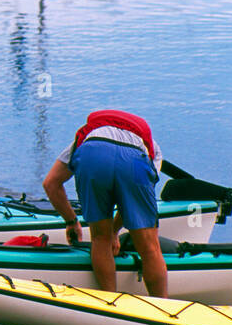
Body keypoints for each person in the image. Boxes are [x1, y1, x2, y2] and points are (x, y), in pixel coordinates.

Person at [42, 109, 168, 298]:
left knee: (100, 239)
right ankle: (163, 312)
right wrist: (115, 230)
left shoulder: (84, 137)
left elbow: (51, 183)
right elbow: (134, 204)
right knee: (149, 247)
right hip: (134, 160)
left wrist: (71, 221)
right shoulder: (154, 150)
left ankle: (110, 303)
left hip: (93, 154)